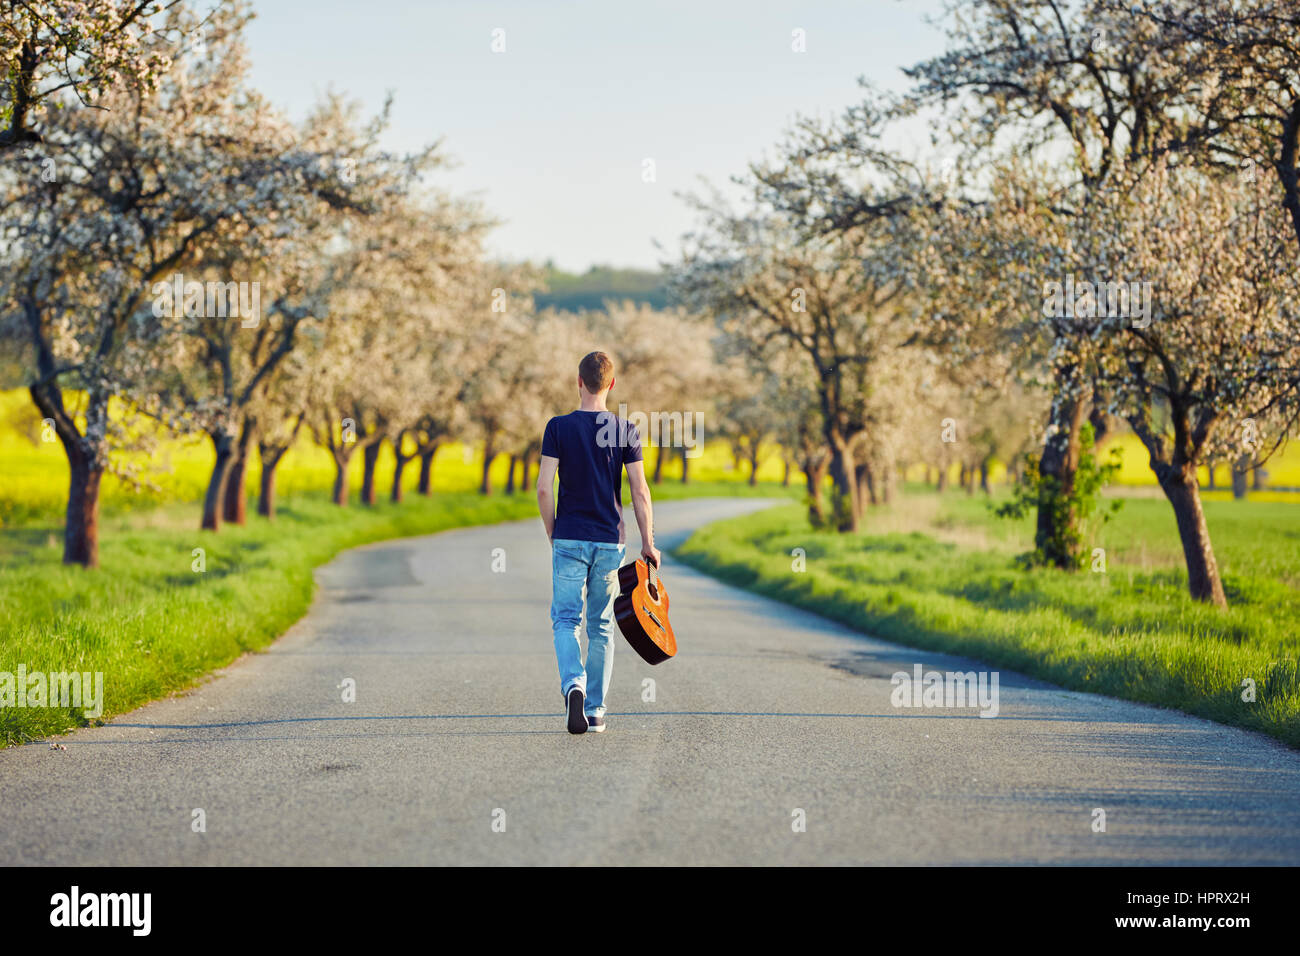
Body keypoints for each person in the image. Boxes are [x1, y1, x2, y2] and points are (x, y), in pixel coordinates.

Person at [536, 350, 660, 735]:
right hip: (610, 540)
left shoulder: (558, 427)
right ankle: (595, 711)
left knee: (565, 620)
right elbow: (640, 492)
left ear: (578, 382)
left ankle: (572, 683)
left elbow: (543, 488)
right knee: (601, 626)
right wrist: (648, 544)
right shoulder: (626, 431)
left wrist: (553, 531)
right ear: (612, 384)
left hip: (569, 536)